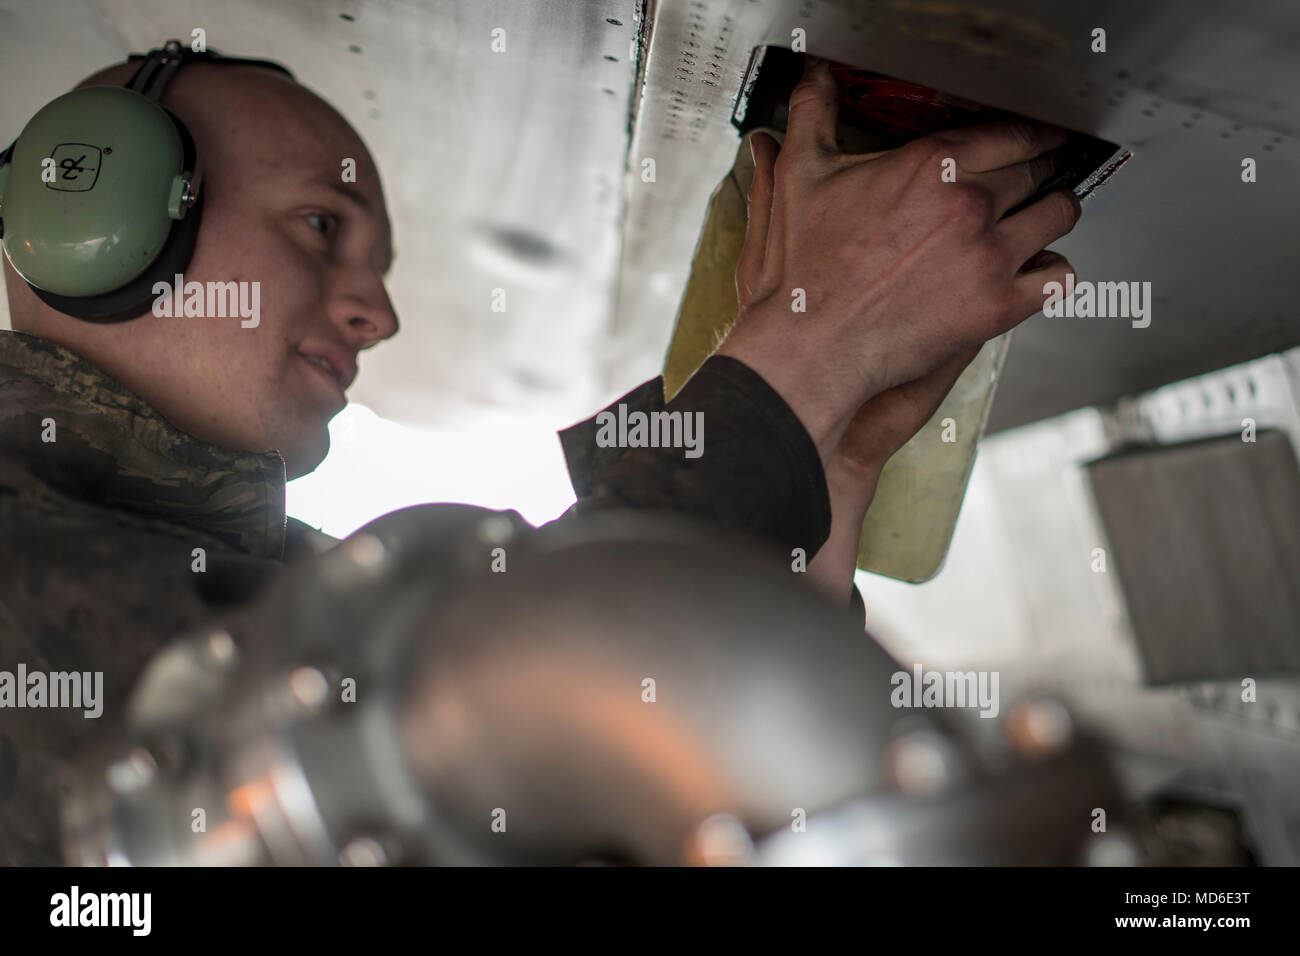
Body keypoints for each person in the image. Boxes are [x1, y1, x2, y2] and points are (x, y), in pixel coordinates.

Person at [0, 46, 1079, 865]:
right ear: (98, 218)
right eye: (322, 227)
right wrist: (805, 355)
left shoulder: (274, 584)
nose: (377, 312)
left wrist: (833, 463)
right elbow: (417, 738)